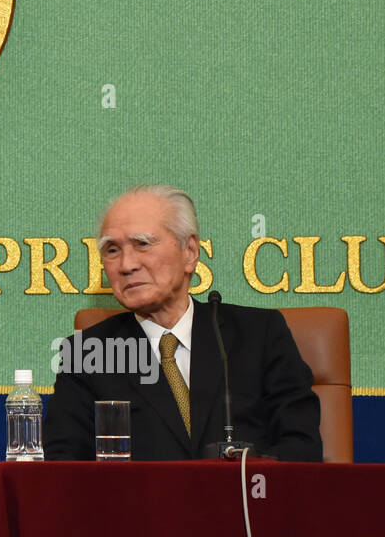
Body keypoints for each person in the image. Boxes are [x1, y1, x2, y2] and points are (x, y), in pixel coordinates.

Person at [43, 185, 322, 461]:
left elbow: (301, 448)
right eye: (112, 250)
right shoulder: (88, 353)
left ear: (189, 251)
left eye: (142, 244)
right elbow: (64, 468)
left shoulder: (259, 334)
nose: (126, 264)